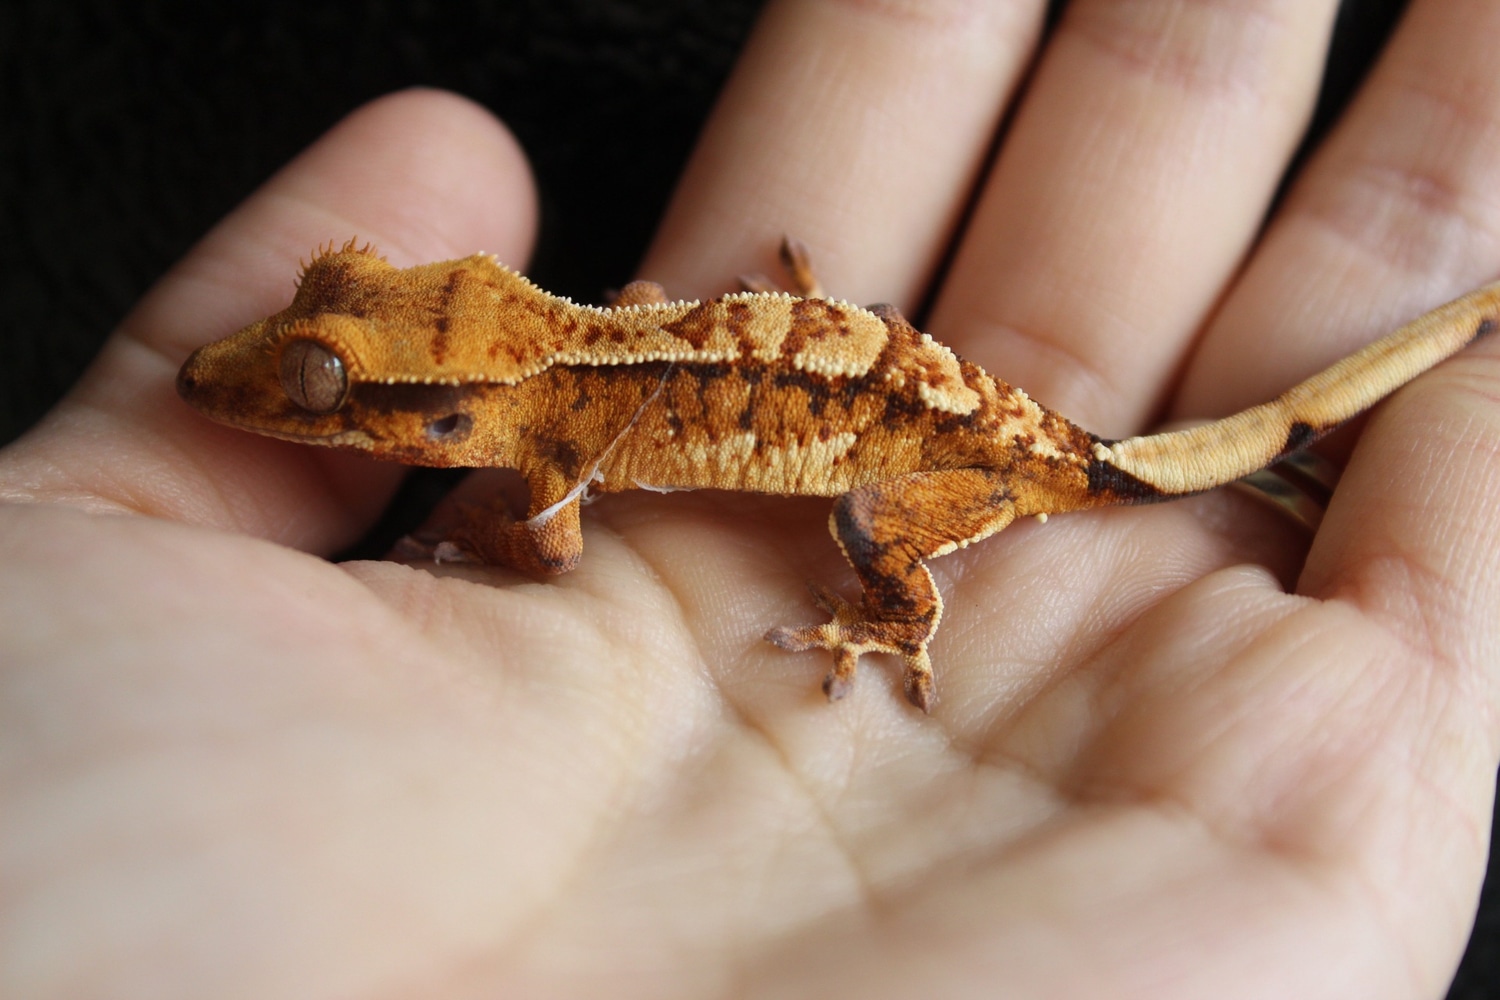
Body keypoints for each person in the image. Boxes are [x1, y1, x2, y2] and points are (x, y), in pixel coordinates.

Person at [2, 2, 1495, 996]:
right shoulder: (578, 366)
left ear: (452, 395)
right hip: (867, 368)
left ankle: (894, 617)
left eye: (327, 376)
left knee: (872, 537)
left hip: (957, 452)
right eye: (325, 348)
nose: (280, 383)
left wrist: (481, 539)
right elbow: (645, 333)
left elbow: (551, 546)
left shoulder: (549, 446)